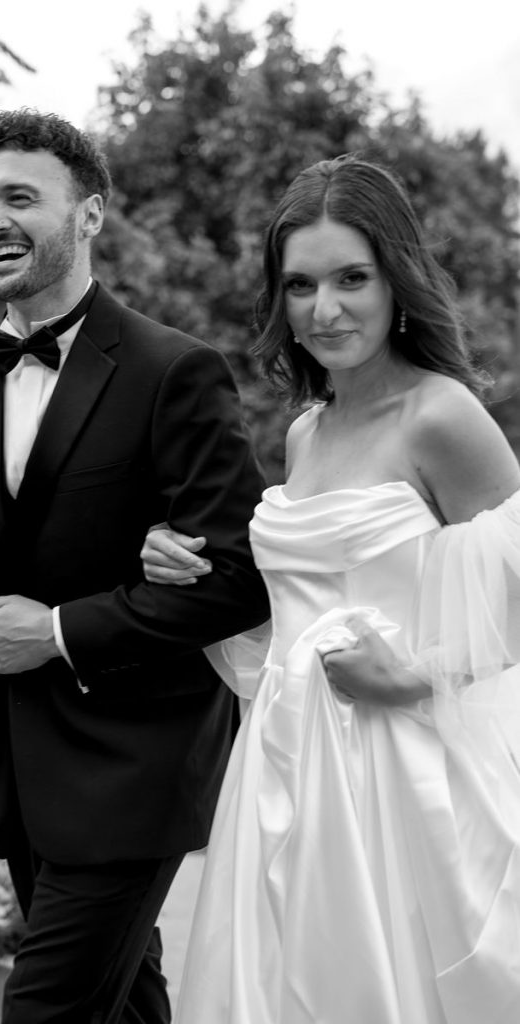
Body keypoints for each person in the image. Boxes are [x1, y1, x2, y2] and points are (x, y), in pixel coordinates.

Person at [0, 108, 270, 1024]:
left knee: (43, 1011)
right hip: (19, 768)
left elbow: (240, 579)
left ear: (89, 213)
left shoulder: (175, 370)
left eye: (19, 198)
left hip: (133, 769)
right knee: (124, 1005)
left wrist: (64, 630)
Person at [141, 154, 520, 1022]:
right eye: (300, 285)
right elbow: (293, 614)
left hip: (401, 780)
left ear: (397, 280)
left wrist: (414, 677)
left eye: (352, 278)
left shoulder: (441, 416)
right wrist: (183, 564)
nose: (324, 309)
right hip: (282, 759)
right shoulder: (306, 433)